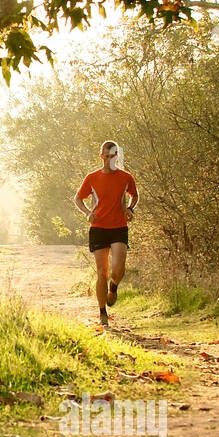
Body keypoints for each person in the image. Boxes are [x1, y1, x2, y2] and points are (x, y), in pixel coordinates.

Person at [73, 140, 137, 328]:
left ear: (117, 156)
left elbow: (135, 194)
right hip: (99, 228)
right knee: (102, 272)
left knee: (117, 270)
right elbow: (78, 198)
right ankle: (103, 312)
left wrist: (130, 209)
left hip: (118, 227)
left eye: (113, 156)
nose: (109, 159)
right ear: (102, 156)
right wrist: (87, 213)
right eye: (106, 156)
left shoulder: (125, 177)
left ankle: (113, 287)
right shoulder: (92, 177)